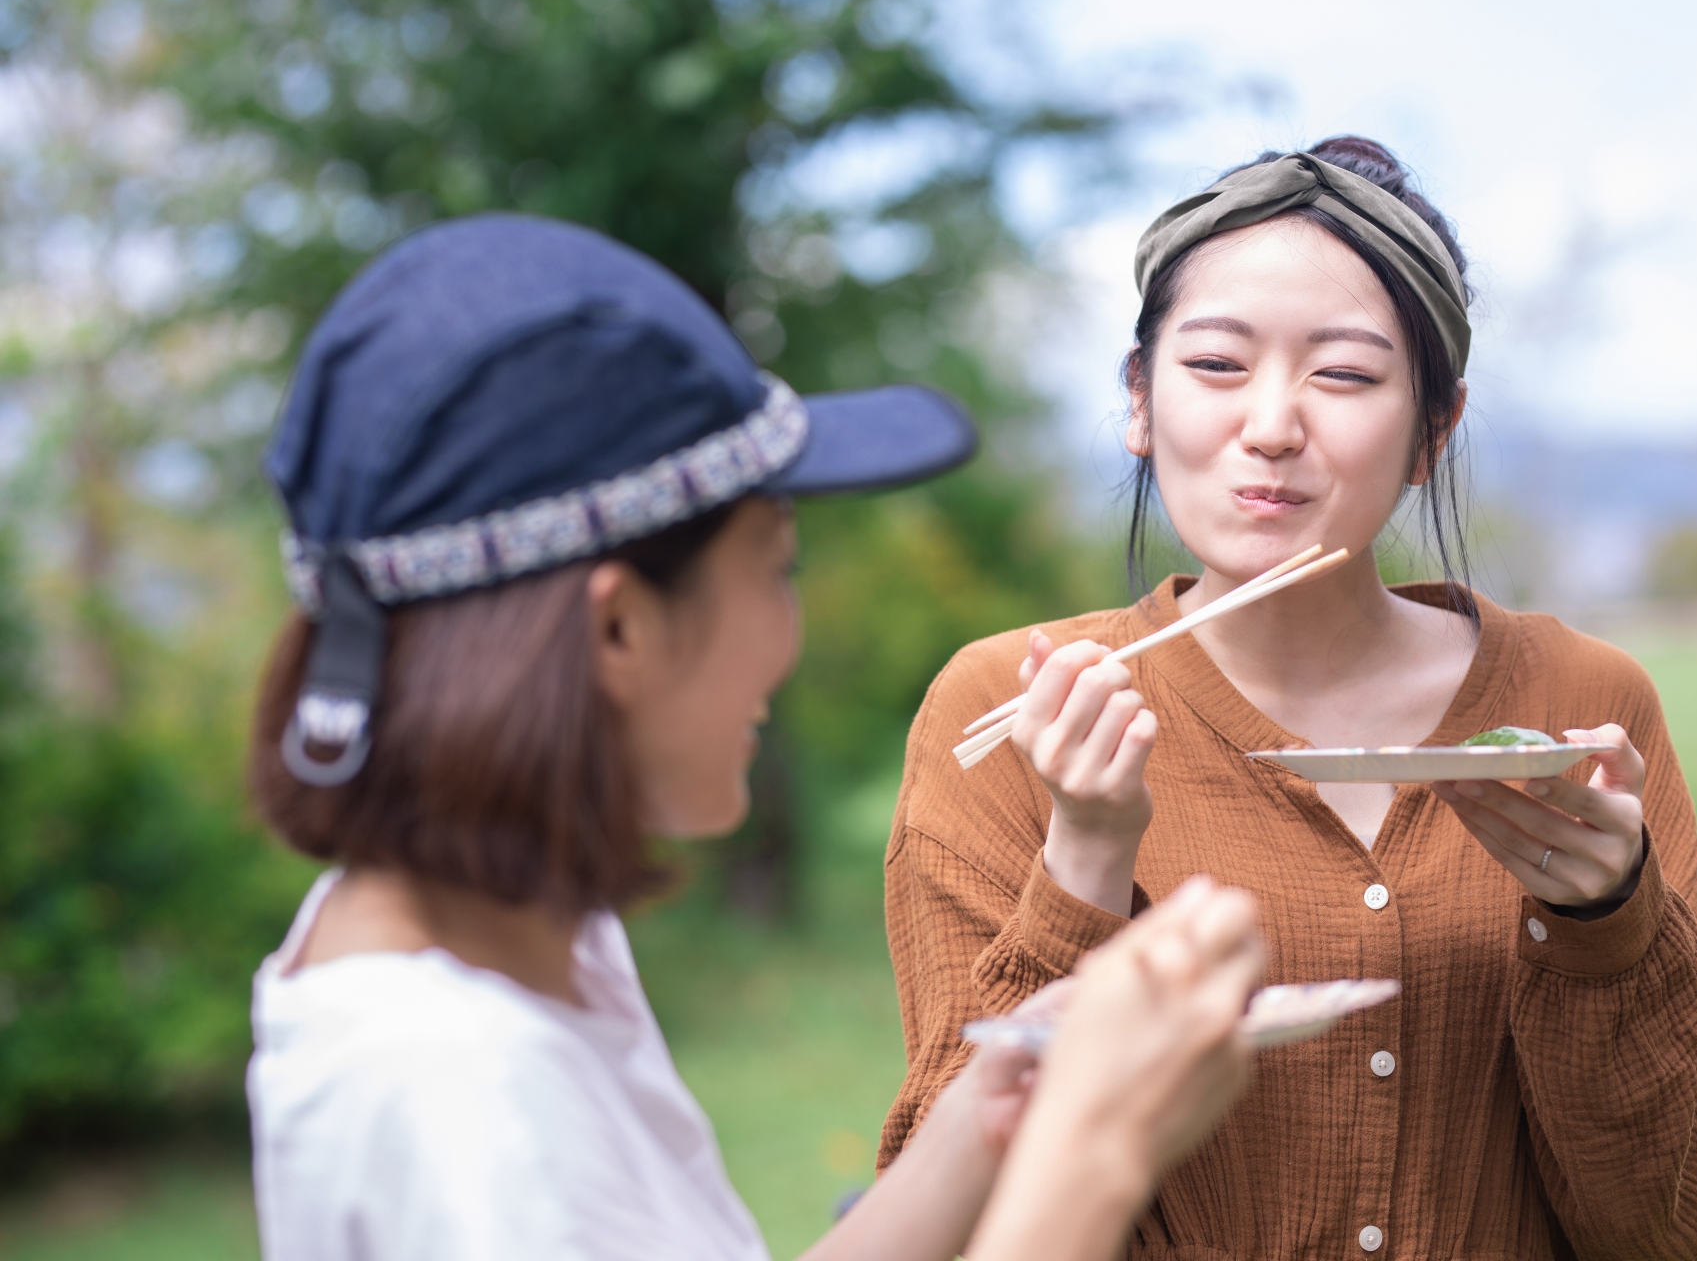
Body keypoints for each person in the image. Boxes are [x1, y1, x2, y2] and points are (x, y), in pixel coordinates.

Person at [243, 212, 1268, 1261]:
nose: (791, 633)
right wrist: (1098, 1147)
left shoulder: (510, 939)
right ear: (619, 628)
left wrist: (982, 1117)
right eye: (776, 568)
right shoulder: (459, 1092)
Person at [881, 137, 1697, 1260]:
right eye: (1216, 364)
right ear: (1139, 399)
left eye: (1344, 376)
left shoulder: (1580, 707)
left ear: (1432, 431)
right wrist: (1084, 852)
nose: (1273, 426)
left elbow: (1660, 1232)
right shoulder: (1002, 708)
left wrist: (1604, 919)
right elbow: (943, 1221)